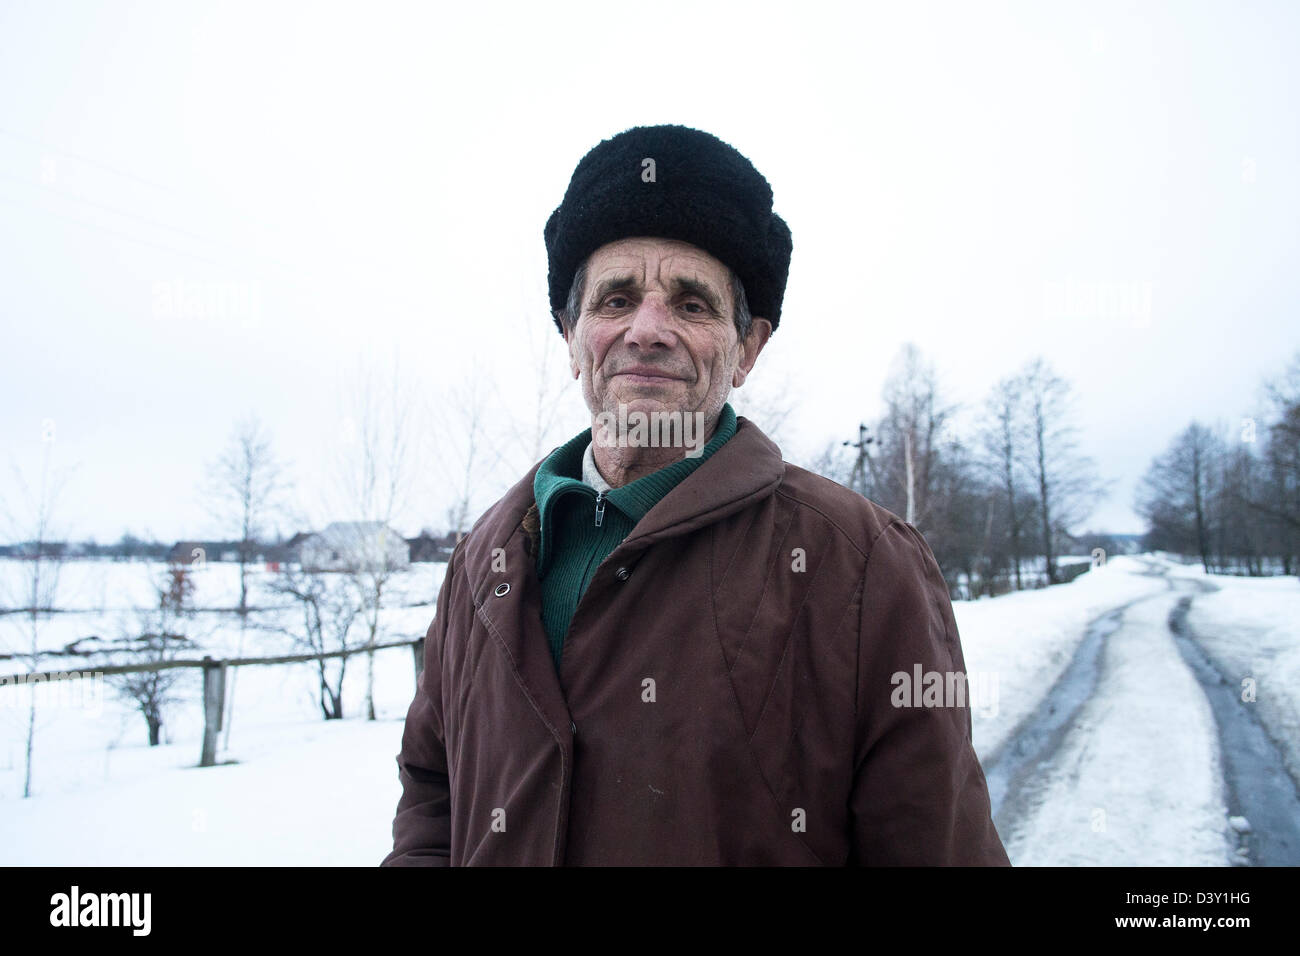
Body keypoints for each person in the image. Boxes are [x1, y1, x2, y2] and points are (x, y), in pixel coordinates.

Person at [382, 124, 1010, 866]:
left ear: (747, 350)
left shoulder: (863, 565)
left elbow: (934, 846)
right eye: (616, 299)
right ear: (570, 335)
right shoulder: (484, 562)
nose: (648, 331)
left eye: (691, 305)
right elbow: (433, 798)